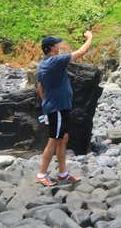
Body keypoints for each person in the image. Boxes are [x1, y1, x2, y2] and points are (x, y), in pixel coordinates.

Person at [35, 31, 93, 186]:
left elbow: (40, 88)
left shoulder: (43, 64)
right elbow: (82, 51)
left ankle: (62, 174)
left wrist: (46, 103)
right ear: (51, 48)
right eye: (56, 45)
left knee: (63, 139)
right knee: (53, 140)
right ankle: (41, 174)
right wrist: (90, 37)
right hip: (58, 108)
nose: (58, 47)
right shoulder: (54, 61)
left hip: (58, 107)